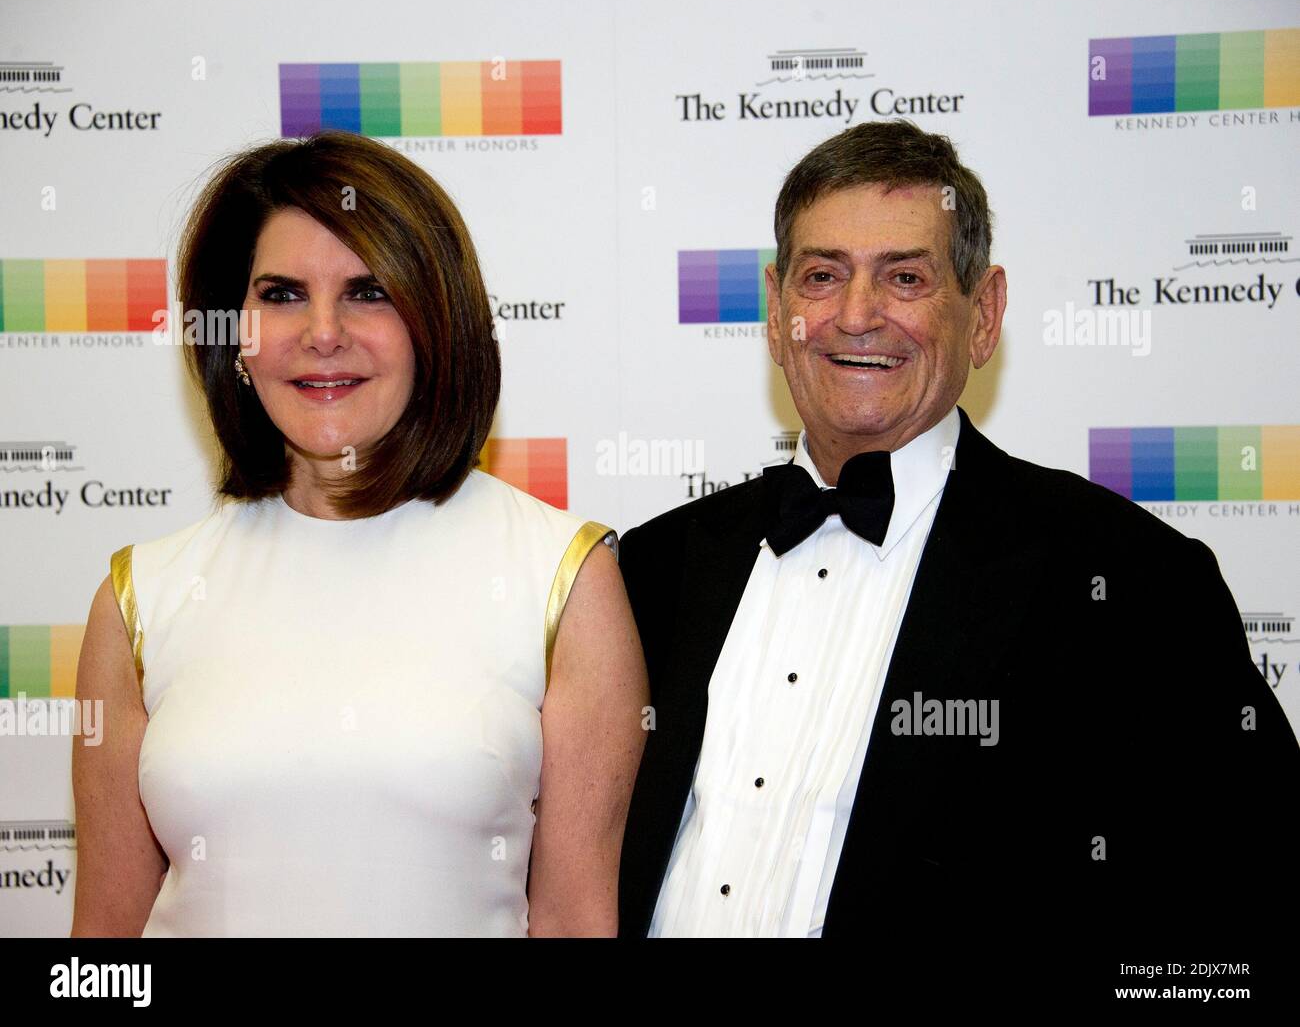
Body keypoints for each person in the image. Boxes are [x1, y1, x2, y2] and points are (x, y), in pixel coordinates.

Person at [616, 119, 1298, 940]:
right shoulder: (651, 570)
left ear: (984, 314)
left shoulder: (1129, 584)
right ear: (776, 310)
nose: (856, 315)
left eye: (905, 278)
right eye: (823, 275)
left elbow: (1250, 904)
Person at [70, 130, 648, 937]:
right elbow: (103, 942)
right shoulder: (141, 597)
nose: (322, 332)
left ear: (435, 323)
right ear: (233, 337)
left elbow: (576, 920)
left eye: (368, 291)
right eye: (281, 294)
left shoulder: (562, 574)